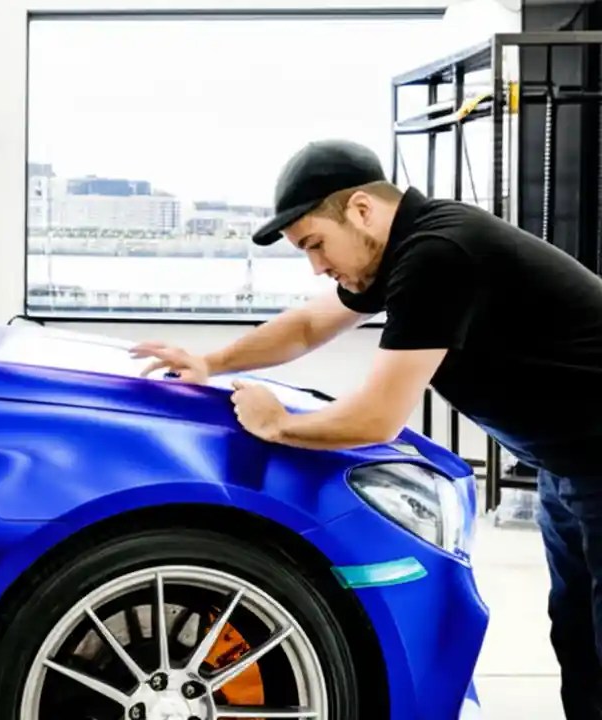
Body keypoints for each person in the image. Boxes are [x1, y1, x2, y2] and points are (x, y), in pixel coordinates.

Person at [131, 139, 602, 719]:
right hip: (570, 463)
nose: (318, 266)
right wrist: (213, 362)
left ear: (360, 210)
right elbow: (307, 326)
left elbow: (378, 417)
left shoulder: (438, 254)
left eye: (315, 245)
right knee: (580, 638)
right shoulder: (405, 248)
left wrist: (278, 425)